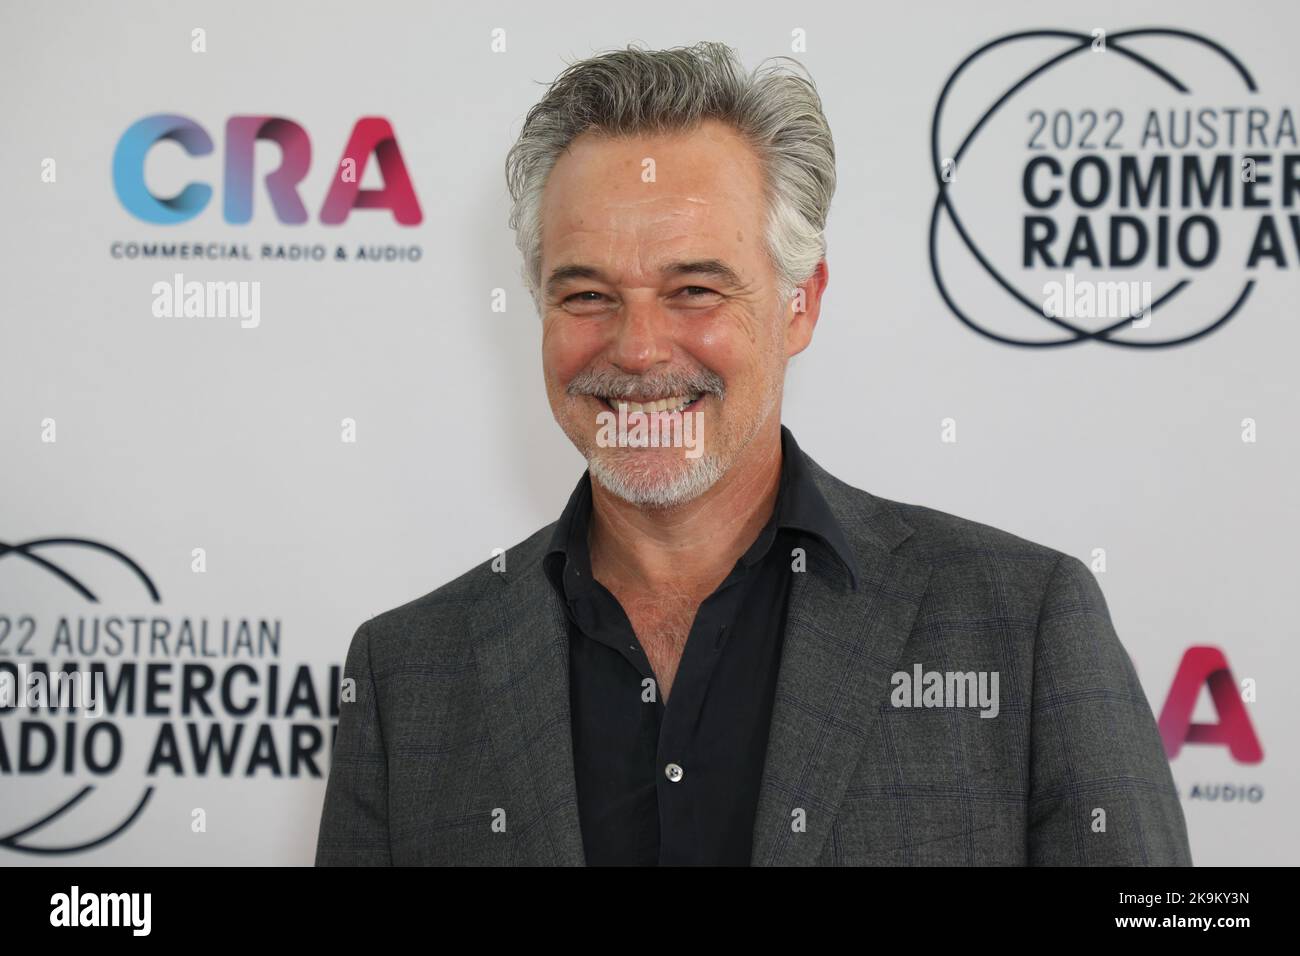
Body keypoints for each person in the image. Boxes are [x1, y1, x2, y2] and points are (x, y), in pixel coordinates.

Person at [316, 41, 1191, 866]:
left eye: (693, 288)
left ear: (799, 305)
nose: (639, 349)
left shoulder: (1022, 627)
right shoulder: (406, 677)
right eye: (586, 294)